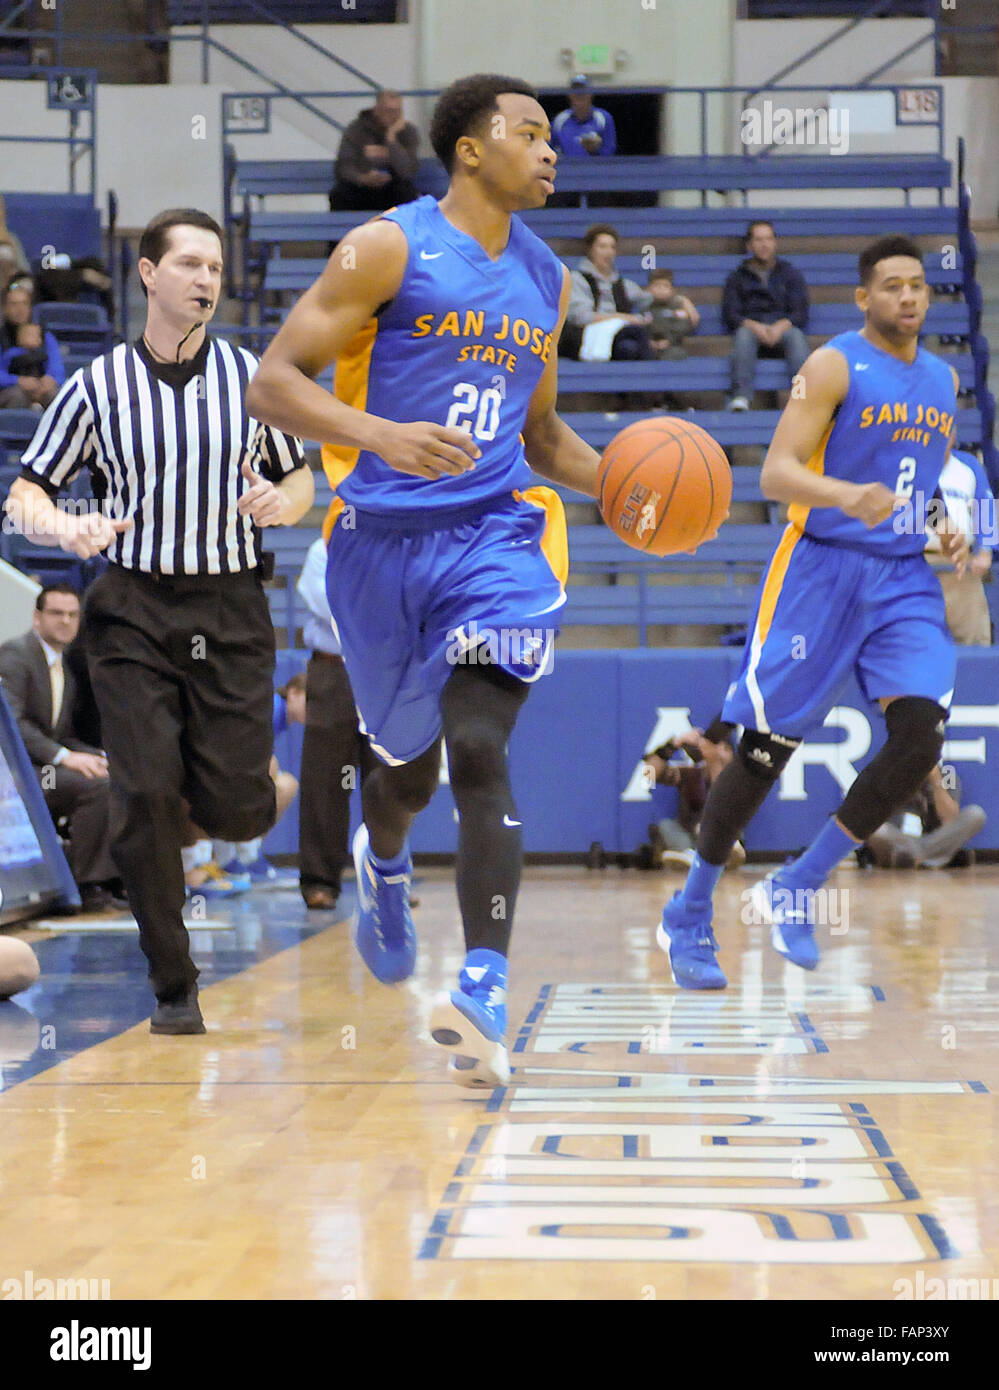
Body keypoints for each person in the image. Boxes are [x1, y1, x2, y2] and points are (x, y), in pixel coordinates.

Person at [245, 72, 602, 1088]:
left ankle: (485, 980)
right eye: (529, 133)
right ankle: (384, 862)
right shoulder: (388, 245)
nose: (550, 150)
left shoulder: (547, 279)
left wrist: (623, 480)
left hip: (494, 535)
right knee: (404, 775)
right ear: (470, 148)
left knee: (482, 746)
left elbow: (541, 437)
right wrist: (379, 435)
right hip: (376, 550)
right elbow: (272, 382)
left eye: (553, 137)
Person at [4, 207, 313, 1035]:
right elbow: (25, 492)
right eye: (189, 265)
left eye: (215, 267)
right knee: (141, 794)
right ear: (148, 274)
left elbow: (302, 481)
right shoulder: (98, 385)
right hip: (134, 605)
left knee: (241, 806)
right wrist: (63, 525)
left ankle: (221, 806)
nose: (206, 280)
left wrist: (281, 502)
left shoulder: (253, 380)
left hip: (231, 607)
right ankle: (173, 984)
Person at [656, 233, 966, 990]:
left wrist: (938, 523)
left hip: (900, 577)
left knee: (920, 737)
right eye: (890, 285)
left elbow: (912, 482)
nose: (907, 297)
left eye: (917, 285)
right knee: (764, 751)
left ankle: (797, 883)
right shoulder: (831, 363)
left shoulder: (941, 380)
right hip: (820, 569)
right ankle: (690, 909)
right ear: (862, 298)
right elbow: (775, 472)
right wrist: (843, 498)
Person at [0, 584, 124, 912]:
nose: (66, 621)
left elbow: (61, 733)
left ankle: (115, 880)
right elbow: (11, 726)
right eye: (56, 613)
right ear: (37, 617)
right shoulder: (16, 655)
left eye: (72, 615)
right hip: (15, 775)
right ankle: (84, 885)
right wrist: (66, 758)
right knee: (97, 787)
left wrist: (98, 756)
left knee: (115, 774)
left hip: (43, 767)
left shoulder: (64, 664)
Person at [295, 534, 372, 911]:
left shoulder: (398, 539)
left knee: (388, 779)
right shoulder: (323, 546)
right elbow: (325, 602)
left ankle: (387, 878)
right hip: (333, 671)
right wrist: (382, 606)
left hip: (386, 673)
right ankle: (319, 880)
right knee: (325, 780)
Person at [211, 673, 304, 888]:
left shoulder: (279, 715)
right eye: (309, 699)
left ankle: (247, 851)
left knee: (286, 783)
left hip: (230, 771)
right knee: (270, 769)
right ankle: (229, 854)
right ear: (293, 692)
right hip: (220, 772)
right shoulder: (273, 709)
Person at [722, 220, 809, 411]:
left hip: (784, 329)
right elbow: (731, 314)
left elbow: (800, 312)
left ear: (775, 242)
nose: (764, 244)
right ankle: (741, 397)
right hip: (752, 330)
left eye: (769, 239)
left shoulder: (790, 273)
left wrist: (780, 326)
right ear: (749, 245)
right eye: (759, 239)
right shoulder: (737, 277)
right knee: (743, 335)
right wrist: (755, 326)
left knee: (796, 337)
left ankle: (803, 396)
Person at [643, 719, 744, 870]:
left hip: (720, 835)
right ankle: (689, 857)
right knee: (667, 826)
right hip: (689, 835)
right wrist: (674, 744)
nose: (716, 751)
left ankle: (721, 856)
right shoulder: (692, 774)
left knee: (726, 830)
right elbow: (649, 774)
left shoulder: (739, 777)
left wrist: (714, 762)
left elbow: (721, 799)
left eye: (724, 748)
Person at [925, 440, 996, 646]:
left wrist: (985, 551)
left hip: (961, 563)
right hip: (918, 562)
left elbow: (985, 508)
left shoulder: (969, 465)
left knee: (973, 638)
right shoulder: (912, 460)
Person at [863, 764, 985, 870]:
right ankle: (934, 858)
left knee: (976, 814)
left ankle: (917, 858)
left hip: (936, 840)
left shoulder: (948, 775)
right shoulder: (890, 774)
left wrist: (936, 781)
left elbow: (950, 819)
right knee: (876, 831)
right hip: (900, 840)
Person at [561, 223, 652, 362]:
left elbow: (649, 298)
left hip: (620, 336)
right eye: (602, 246)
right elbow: (580, 318)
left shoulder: (621, 284)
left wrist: (682, 301)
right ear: (590, 250)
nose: (608, 252)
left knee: (633, 341)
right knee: (633, 339)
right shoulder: (577, 279)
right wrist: (623, 318)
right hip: (585, 336)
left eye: (612, 247)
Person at [328, 89, 420, 215]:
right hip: (360, 187)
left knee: (408, 195)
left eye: (397, 111)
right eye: (388, 111)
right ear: (376, 110)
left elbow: (407, 171)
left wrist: (391, 139)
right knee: (339, 195)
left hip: (392, 188)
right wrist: (362, 178)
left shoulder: (408, 132)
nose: (393, 116)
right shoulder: (356, 129)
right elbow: (344, 165)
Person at [0, 280, 65, 408]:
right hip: (10, 390)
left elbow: (58, 370)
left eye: (24, 304)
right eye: (14, 304)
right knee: (17, 396)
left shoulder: (45, 336)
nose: (20, 309)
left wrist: (49, 380)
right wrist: (19, 381)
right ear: (5, 308)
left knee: (57, 396)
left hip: (41, 388)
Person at [550, 75, 616, 160]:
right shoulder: (559, 120)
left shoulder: (603, 118)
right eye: (575, 91)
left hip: (595, 170)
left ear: (590, 94)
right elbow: (549, 149)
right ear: (570, 95)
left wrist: (595, 150)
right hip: (567, 170)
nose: (579, 94)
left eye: (583, 91)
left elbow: (610, 153)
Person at [646, 268, 699, 360]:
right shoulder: (646, 308)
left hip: (673, 346)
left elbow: (682, 326)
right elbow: (643, 327)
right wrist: (650, 342)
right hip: (651, 347)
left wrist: (669, 341)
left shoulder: (678, 308)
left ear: (672, 290)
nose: (661, 289)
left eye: (665, 286)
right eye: (657, 285)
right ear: (649, 288)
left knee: (677, 354)